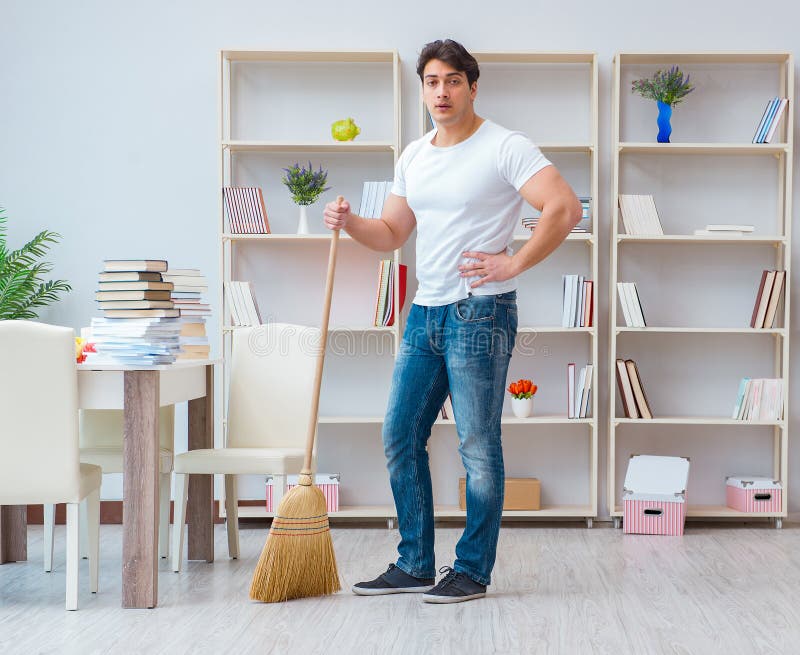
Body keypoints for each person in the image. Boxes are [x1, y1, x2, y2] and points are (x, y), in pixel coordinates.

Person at [323, 39, 582, 603]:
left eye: (453, 81)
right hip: (425, 310)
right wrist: (350, 221)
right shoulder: (415, 156)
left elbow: (564, 207)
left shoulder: (505, 147)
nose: (441, 91)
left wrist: (512, 261)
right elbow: (392, 234)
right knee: (399, 434)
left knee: (477, 444)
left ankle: (471, 570)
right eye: (432, 81)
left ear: (472, 86)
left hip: (480, 311)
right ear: (423, 89)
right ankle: (415, 562)